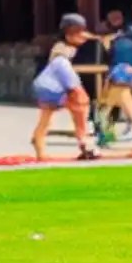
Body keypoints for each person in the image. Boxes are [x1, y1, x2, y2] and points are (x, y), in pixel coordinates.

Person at [31, 14, 97, 161]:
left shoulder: (64, 45)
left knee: (46, 117)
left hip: (45, 82)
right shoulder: (61, 50)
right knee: (81, 105)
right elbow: (62, 69)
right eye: (79, 32)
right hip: (56, 79)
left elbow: (85, 36)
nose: (82, 35)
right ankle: (84, 143)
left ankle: (39, 142)